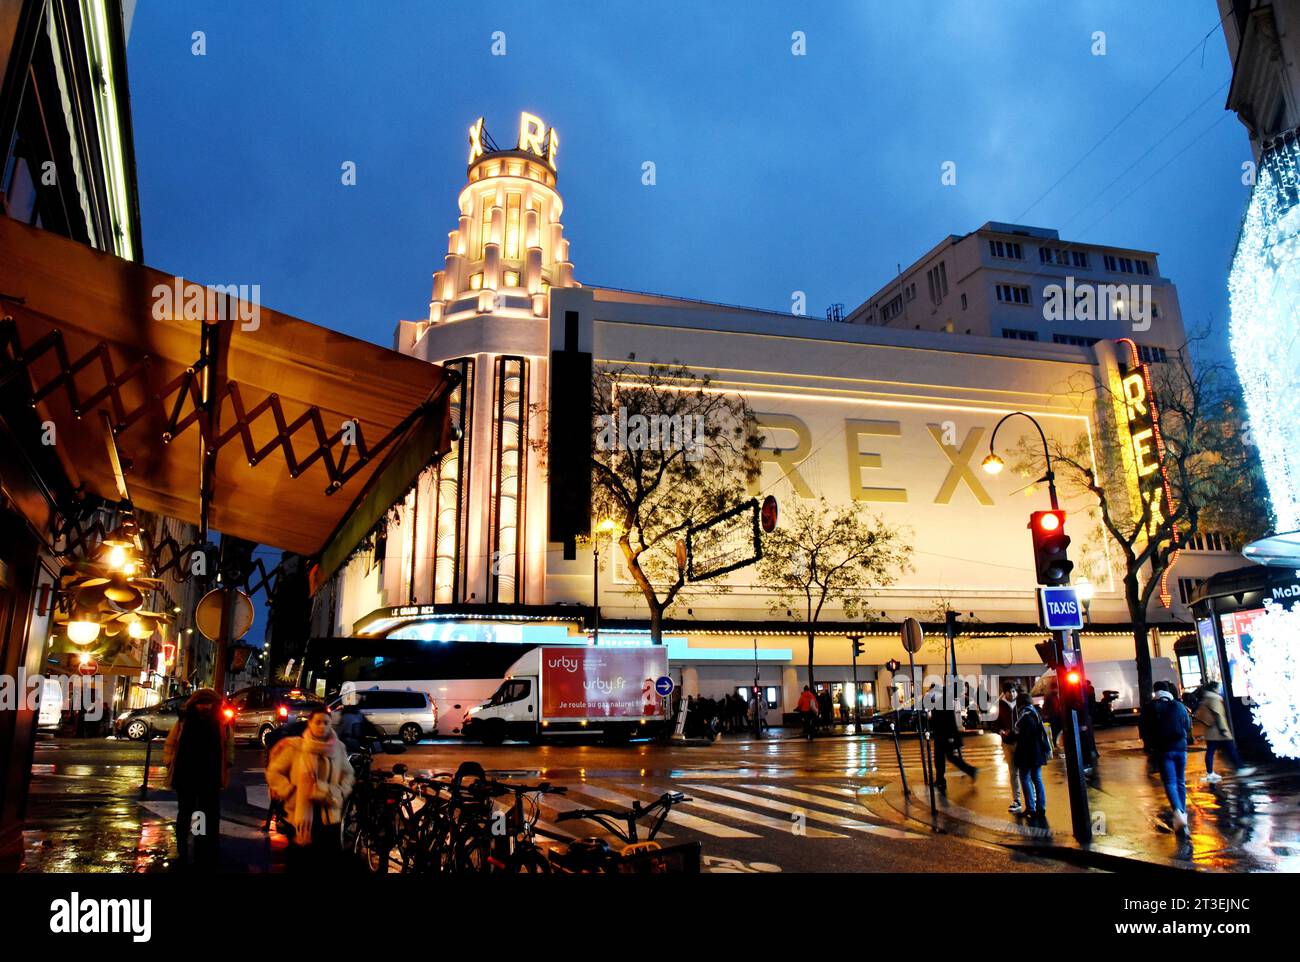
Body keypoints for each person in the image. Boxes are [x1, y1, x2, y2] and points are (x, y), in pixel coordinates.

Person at [267, 707, 355, 869]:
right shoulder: (295, 747)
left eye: (326, 723)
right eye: (318, 722)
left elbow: (348, 774)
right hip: (299, 814)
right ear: (310, 723)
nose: (322, 726)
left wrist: (339, 792)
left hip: (329, 813)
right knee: (300, 861)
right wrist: (290, 791)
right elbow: (274, 772)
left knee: (325, 860)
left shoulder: (338, 748)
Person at [163, 688, 234, 869]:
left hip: (209, 775)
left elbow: (229, 745)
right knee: (185, 811)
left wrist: (228, 763)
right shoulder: (184, 721)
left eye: (208, 703)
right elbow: (171, 743)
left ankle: (200, 844)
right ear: (195, 704)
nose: (205, 707)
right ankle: (183, 847)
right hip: (186, 773)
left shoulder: (222, 722)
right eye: (201, 703)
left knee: (205, 812)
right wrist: (168, 761)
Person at [1139, 680, 1193, 833]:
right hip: (1181, 748)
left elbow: (1144, 728)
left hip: (1164, 750)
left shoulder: (1151, 707)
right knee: (1180, 781)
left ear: (1155, 692)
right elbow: (1187, 726)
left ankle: (1177, 812)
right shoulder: (1179, 705)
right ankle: (1183, 813)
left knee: (1170, 782)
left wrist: (1150, 745)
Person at [1194, 681, 1256, 783]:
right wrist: (1223, 729)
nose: (1219, 690)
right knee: (1231, 749)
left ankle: (1211, 773)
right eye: (1218, 688)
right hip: (1218, 730)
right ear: (1214, 689)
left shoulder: (1207, 698)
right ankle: (1240, 768)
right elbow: (1219, 715)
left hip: (1211, 732)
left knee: (1211, 751)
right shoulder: (1214, 699)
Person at [929, 685, 978, 790]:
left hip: (945, 736)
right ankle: (942, 779)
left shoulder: (944, 702)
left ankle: (941, 780)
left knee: (942, 758)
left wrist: (951, 737)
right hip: (941, 735)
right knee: (945, 758)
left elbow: (949, 720)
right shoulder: (938, 702)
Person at [1012, 692, 1051, 820]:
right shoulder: (1034, 712)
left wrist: (1009, 736)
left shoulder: (1025, 716)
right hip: (1038, 752)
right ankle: (1041, 807)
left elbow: (1022, 737)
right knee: (1037, 779)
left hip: (1027, 754)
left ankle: (1031, 808)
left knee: (1025, 778)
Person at [995, 682, 1022, 813]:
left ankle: (1030, 798)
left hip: (1021, 742)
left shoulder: (1021, 704)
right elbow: (994, 724)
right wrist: (1001, 731)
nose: (1012, 694)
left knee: (1025, 772)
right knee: (1013, 772)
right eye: (1009, 691)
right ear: (1004, 692)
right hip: (1007, 743)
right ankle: (1017, 799)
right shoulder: (1000, 705)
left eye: (1014, 691)